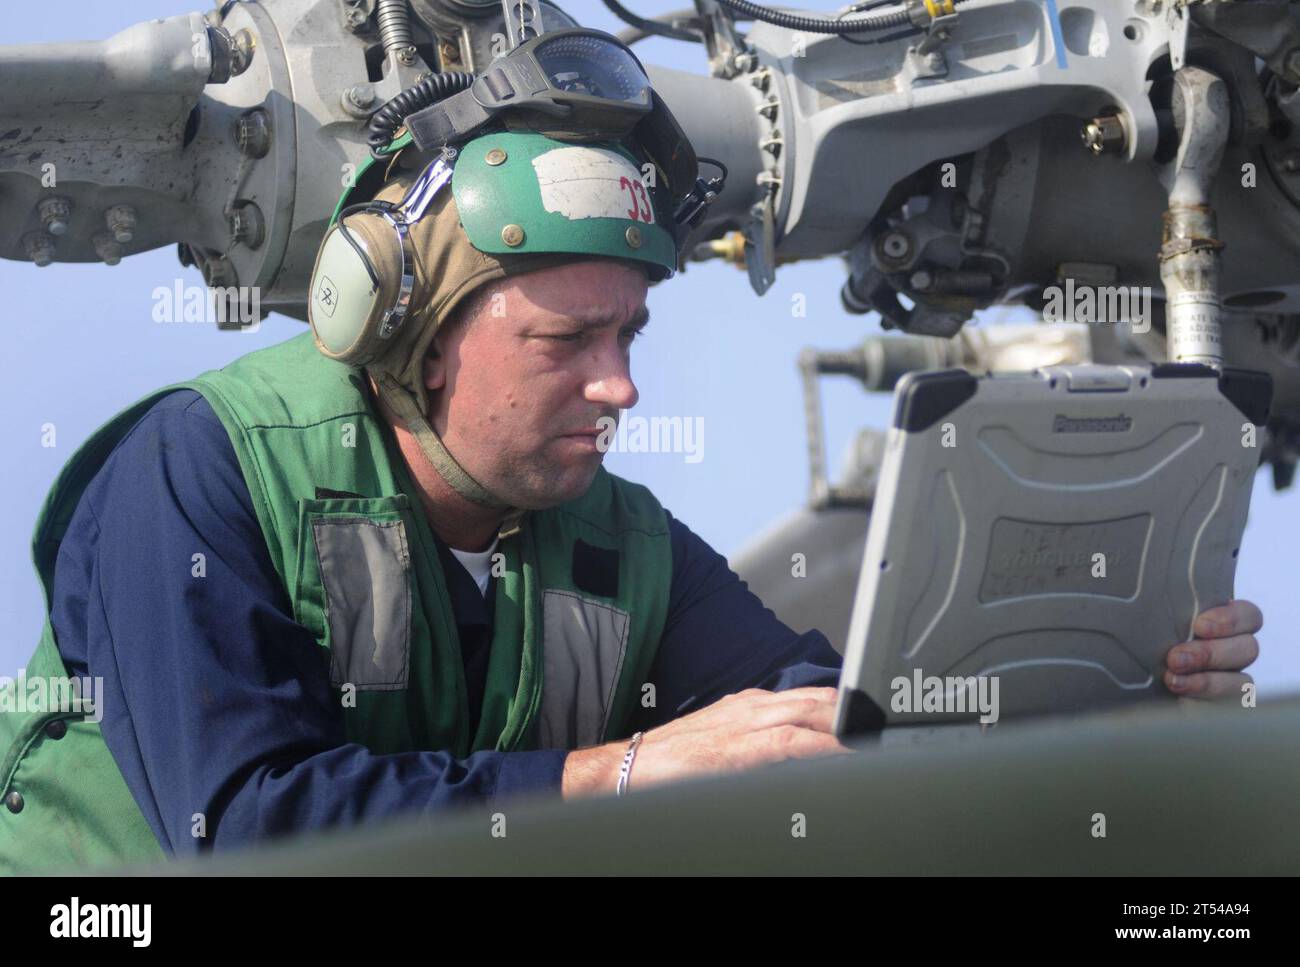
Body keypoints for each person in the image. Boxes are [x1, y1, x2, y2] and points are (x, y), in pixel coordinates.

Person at [0, 97, 1262, 875]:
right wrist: (620, 774)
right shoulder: (197, 470)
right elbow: (245, 832)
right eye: (564, 343)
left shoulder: (616, 542)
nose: (618, 390)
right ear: (415, 336)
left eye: (630, 339)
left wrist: (1104, 690)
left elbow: (817, 718)